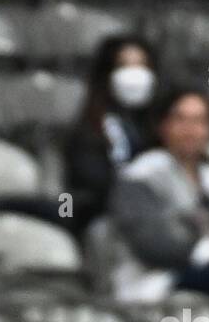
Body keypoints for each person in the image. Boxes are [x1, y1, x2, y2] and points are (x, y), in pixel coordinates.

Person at [107, 88, 209, 302]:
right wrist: (206, 250)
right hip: (163, 280)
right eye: (181, 119)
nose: (191, 130)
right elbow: (152, 243)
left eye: (199, 121)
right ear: (162, 125)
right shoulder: (141, 175)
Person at [65, 36, 161, 232]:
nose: (134, 74)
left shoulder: (163, 124)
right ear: (107, 74)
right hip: (107, 218)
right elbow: (91, 186)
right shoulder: (88, 131)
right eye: (124, 66)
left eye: (141, 66)